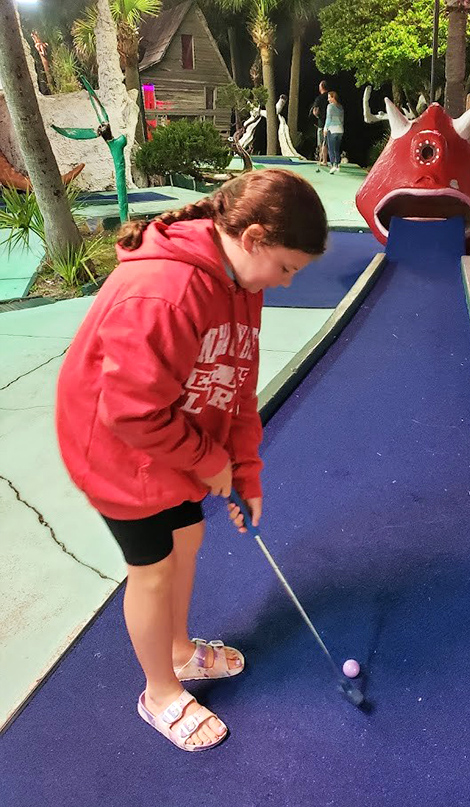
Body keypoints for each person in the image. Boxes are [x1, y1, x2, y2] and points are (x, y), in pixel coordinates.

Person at [55, 169, 327, 752]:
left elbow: (236, 384)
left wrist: (245, 473)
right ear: (252, 238)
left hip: (173, 437)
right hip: (114, 451)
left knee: (188, 539)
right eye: (286, 268)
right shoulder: (165, 291)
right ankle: (159, 694)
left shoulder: (243, 284)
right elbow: (129, 411)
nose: (284, 284)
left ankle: (178, 652)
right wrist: (208, 462)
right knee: (152, 570)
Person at [324, 91, 345, 174]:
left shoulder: (330, 106)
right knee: (337, 149)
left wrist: (325, 128)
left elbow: (328, 118)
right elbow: (342, 120)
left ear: (333, 97)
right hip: (340, 130)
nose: (328, 99)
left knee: (331, 148)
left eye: (329, 97)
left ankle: (333, 165)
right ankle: (337, 165)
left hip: (332, 129)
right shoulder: (340, 107)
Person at [311, 80, 328, 166]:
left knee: (321, 143)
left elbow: (315, 111)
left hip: (322, 123)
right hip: (331, 124)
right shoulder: (330, 97)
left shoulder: (319, 98)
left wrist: (317, 116)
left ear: (321, 87)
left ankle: (322, 160)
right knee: (328, 143)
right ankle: (327, 160)